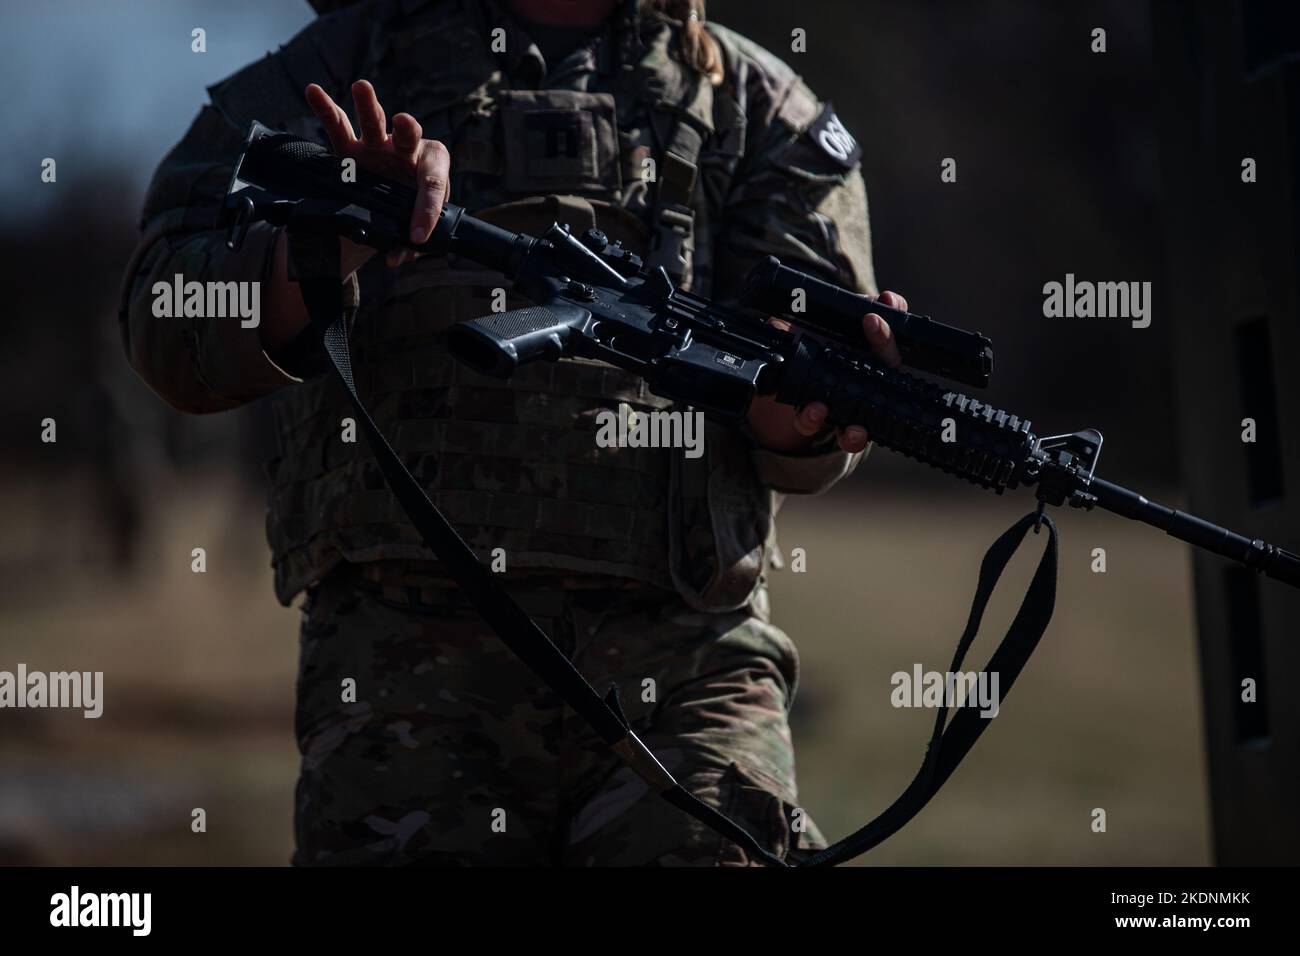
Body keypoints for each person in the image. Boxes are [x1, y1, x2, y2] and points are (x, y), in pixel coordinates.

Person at [119, 0, 907, 865]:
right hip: (405, 681)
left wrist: (804, 410)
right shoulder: (342, 70)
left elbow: (795, 434)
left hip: (683, 677)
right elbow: (166, 319)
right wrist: (319, 245)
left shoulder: (756, 105)